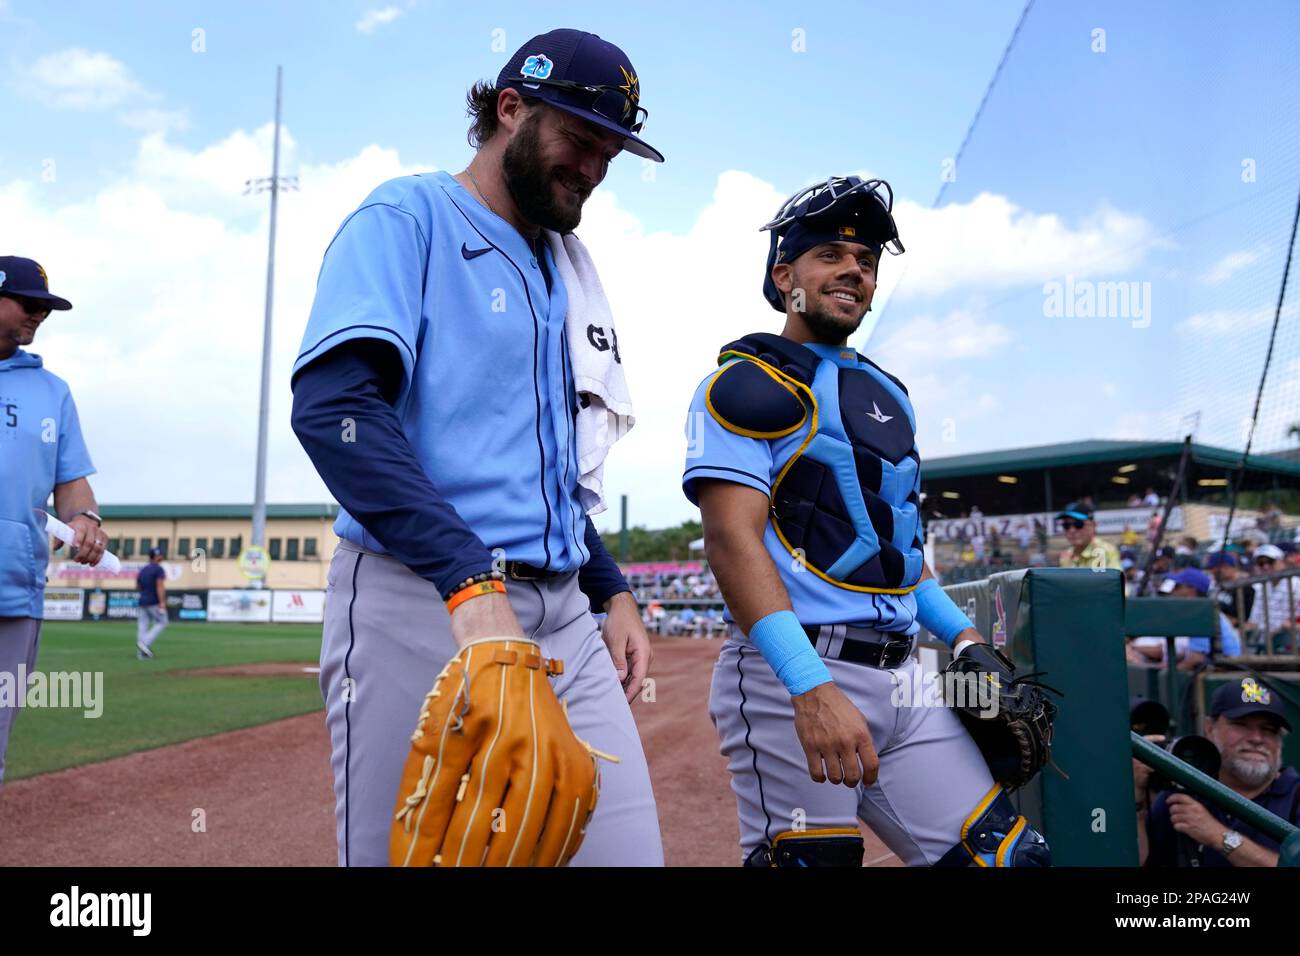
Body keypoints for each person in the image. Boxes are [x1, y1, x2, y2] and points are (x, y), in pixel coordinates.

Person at [290, 28, 664, 866]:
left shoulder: (557, 264)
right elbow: (335, 411)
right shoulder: (406, 217)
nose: (595, 170)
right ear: (509, 109)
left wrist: (611, 590)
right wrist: (467, 580)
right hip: (418, 598)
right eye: (580, 140)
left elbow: (536, 470)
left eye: (611, 152)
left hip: (562, 609)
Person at [681, 175, 1050, 867]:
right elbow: (731, 540)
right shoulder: (742, 385)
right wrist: (808, 686)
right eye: (832, 254)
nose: (855, 268)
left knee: (1008, 859)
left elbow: (897, 551)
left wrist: (965, 637)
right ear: (784, 274)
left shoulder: (888, 394)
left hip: (904, 675)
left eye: (868, 260)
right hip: (794, 669)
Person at [0, 256, 107, 784]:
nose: (41, 313)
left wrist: (84, 517)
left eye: (47, 306)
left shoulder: (52, 391)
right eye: (29, 302)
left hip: (14, 594)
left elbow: (70, 482)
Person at [1140, 677, 1298, 866]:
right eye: (1241, 724)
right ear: (1209, 727)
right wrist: (1137, 797)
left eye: (1269, 729)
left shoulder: (1295, 794)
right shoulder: (1185, 789)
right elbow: (1137, 860)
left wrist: (1218, 835)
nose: (1257, 738)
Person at [1246, 544, 1297, 653]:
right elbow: (1253, 622)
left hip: (1289, 641)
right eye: (1261, 563)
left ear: (1282, 562)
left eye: (1270, 562)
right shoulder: (1259, 587)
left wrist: (1280, 629)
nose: (1266, 566)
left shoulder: (1297, 585)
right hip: (1263, 641)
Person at [1056, 501, 1122, 570]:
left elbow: (1116, 580)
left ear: (1093, 525)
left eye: (1078, 524)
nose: (1072, 530)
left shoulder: (1107, 551)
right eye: (1066, 526)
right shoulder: (1065, 556)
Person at [135, 547, 167, 659]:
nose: (161, 556)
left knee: (142, 625)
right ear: (156, 556)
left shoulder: (143, 569)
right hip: (153, 601)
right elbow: (160, 586)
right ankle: (145, 643)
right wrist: (162, 602)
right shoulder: (158, 569)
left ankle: (141, 653)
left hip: (142, 599)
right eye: (160, 555)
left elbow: (138, 586)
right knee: (162, 622)